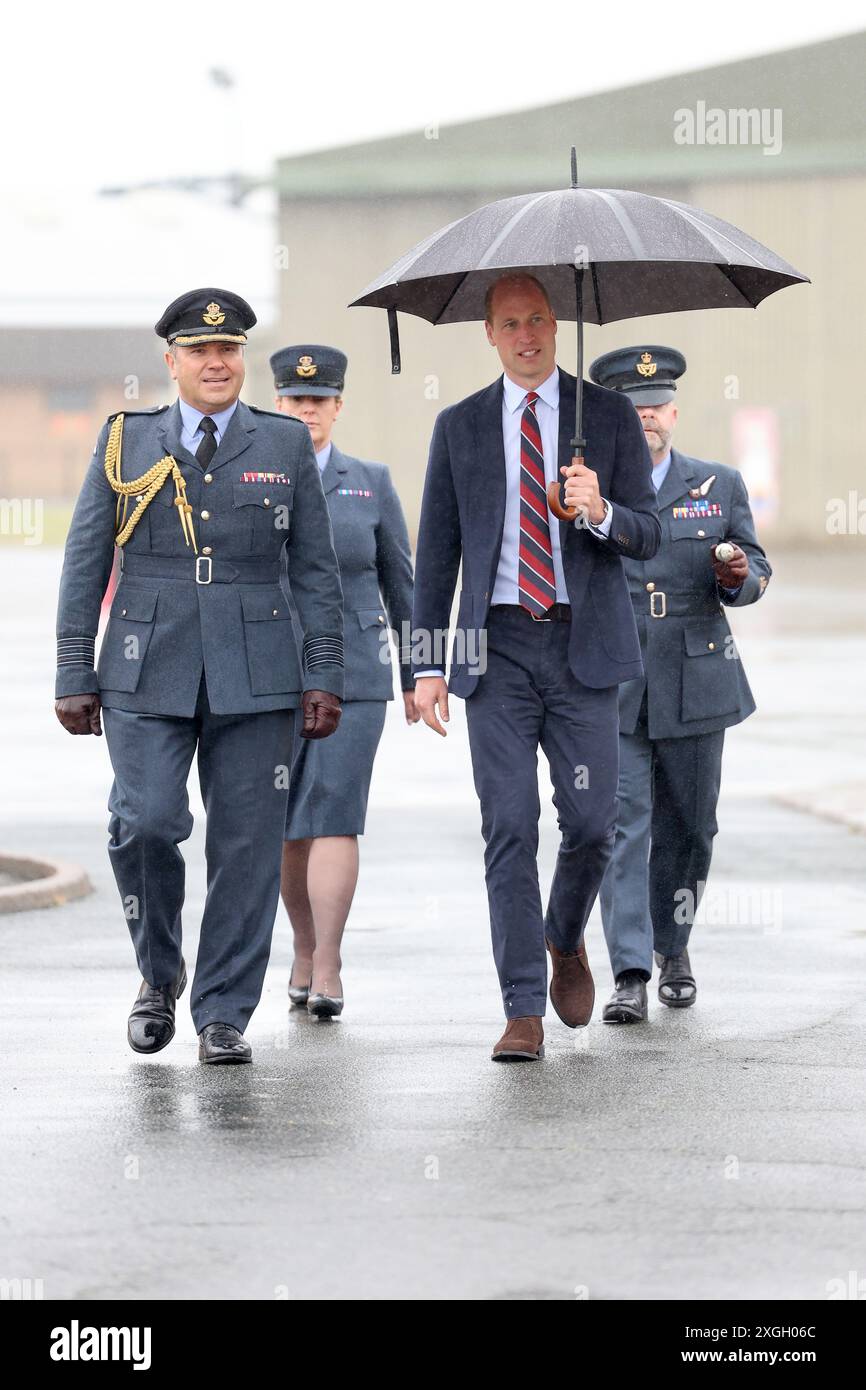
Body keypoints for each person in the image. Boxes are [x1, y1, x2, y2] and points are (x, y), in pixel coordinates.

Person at [54, 289, 344, 1064]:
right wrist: (71, 669)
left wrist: (323, 673)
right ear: (171, 360)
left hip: (260, 671)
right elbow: (87, 561)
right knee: (144, 822)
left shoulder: (282, 444)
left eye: (230, 350)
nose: (217, 363)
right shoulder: (126, 440)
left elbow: (315, 569)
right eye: (200, 351)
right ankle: (158, 974)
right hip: (145, 667)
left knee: (248, 846)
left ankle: (224, 1012)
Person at [412, 273, 660, 1062]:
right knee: (509, 825)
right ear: (489, 334)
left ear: (558, 325)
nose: (527, 336)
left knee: (590, 824)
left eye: (539, 321)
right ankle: (522, 1006)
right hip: (497, 648)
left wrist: (602, 510)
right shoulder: (460, 427)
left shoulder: (609, 416)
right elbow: (433, 558)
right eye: (511, 323)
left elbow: (649, 534)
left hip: (583, 647)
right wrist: (424, 667)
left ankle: (564, 936)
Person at [590, 345, 771, 1022]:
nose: (646, 419)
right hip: (617, 677)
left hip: (698, 676)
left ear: (674, 409)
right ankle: (631, 971)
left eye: (657, 406)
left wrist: (736, 577)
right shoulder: (587, 490)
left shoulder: (717, 483)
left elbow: (755, 568)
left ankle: (675, 945)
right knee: (622, 824)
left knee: (692, 828)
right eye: (632, 410)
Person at [271, 344, 416, 1018]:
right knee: (283, 823)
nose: (308, 409)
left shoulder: (371, 480)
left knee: (333, 813)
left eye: (320, 399)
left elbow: (402, 584)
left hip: (355, 672)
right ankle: (301, 946)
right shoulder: (254, 477)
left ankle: (327, 960)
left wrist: (421, 670)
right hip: (268, 672)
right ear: (277, 404)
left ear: (338, 406)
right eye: (297, 400)